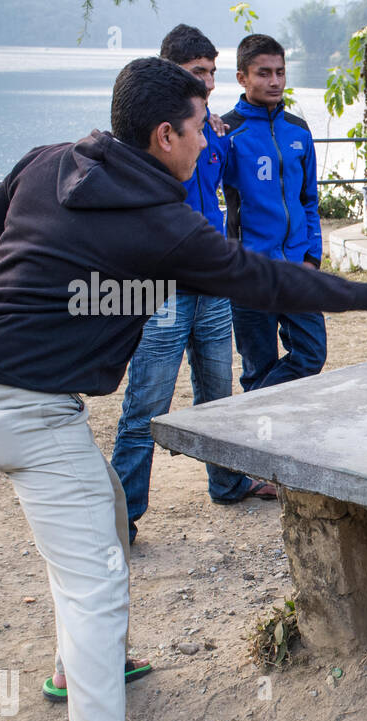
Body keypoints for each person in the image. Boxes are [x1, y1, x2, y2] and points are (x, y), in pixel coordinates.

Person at [0, 56, 367, 721]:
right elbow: (259, 279)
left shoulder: (49, 161)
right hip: (21, 407)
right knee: (96, 587)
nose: (212, 132)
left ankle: (86, 667)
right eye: (202, 120)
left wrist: (40, 290)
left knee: (104, 512)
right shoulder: (164, 217)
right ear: (163, 135)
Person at [108, 24, 272, 558]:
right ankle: (122, 521)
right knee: (146, 408)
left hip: (212, 284)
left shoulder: (212, 133)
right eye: (197, 74)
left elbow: (238, 193)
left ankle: (227, 484)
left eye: (212, 74)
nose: (208, 83)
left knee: (216, 398)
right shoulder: (143, 138)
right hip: (163, 292)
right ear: (170, 74)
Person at [222, 34, 327, 392]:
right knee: (257, 367)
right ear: (242, 78)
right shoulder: (227, 133)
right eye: (263, 73)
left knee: (312, 354)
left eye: (280, 72)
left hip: (297, 267)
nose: (275, 82)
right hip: (250, 270)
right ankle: (263, 431)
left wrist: (312, 256)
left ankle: (257, 406)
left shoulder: (298, 131)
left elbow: (308, 199)